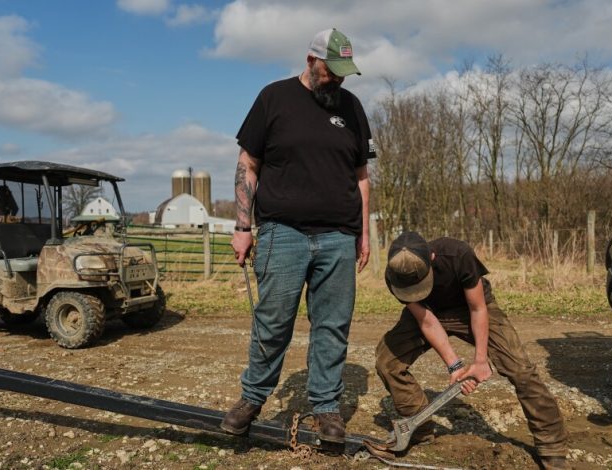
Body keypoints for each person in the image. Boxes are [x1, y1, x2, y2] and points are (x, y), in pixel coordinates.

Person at [220, 28, 376, 444]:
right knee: (272, 323)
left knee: (332, 326)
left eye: (345, 72)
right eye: (332, 71)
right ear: (310, 62)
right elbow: (247, 164)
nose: (338, 80)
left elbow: (362, 177)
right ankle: (252, 398)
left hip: (339, 237)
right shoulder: (274, 98)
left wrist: (363, 233)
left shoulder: (353, 108)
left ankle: (326, 409)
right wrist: (242, 226)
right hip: (281, 234)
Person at [375, 232, 570, 469]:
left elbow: (477, 308)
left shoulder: (458, 254)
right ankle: (418, 427)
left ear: (432, 257)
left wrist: (479, 361)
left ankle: (552, 446)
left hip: (471, 309)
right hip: (430, 312)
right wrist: (455, 365)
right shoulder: (394, 276)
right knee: (388, 362)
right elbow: (427, 321)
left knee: (519, 368)